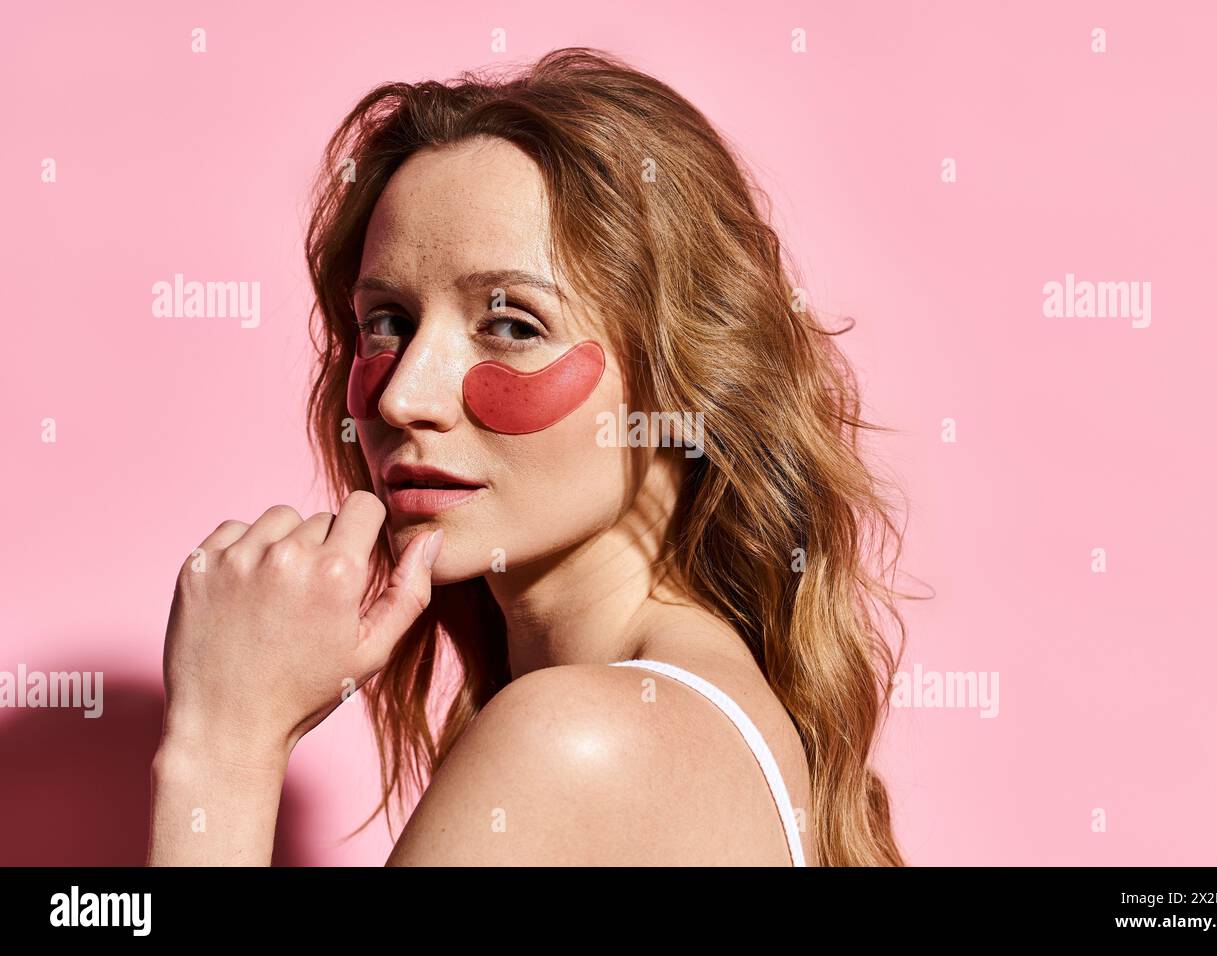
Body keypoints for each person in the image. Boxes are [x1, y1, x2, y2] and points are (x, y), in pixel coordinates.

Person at [148, 47, 911, 867]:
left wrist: (220, 749)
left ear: (686, 379)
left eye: (512, 325)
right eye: (387, 323)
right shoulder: (712, 719)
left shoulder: (573, 743)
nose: (406, 397)